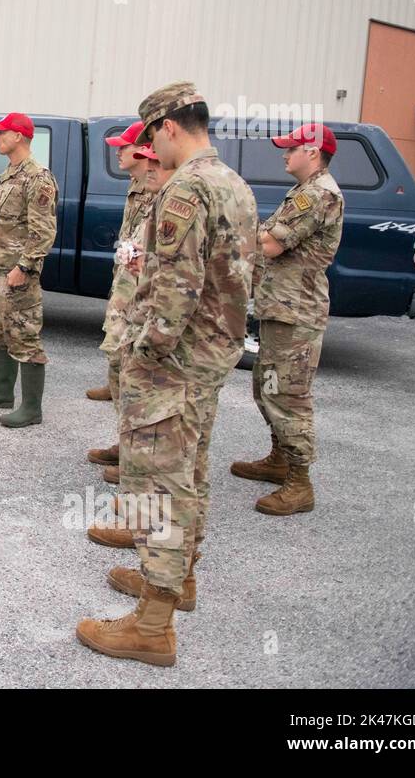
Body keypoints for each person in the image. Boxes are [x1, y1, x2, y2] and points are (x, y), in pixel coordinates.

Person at [77, 82, 257, 667]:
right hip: (209, 358)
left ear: (170, 127)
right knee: (191, 473)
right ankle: (180, 583)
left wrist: (143, 354)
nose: (153, 144)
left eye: (153, 133)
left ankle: (152, 627)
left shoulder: (187, 189)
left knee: (159, 486)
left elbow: (177, 288)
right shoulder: (234, 183)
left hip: (173, 363)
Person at [231, 124, 343, 515]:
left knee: (290, 396)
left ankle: (300, 483)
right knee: (267, 387)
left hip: (298, 312)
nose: (284, 154)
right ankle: (279, 459)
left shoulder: (318, 194)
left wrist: (238, 235)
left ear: (313, 152)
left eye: (292, 148)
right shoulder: (302, 191)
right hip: (281, 307)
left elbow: (271, 243)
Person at [0, 112, 58, 427]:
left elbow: (42, 231)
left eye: (2, 132)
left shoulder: (37, 177)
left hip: (16, 272)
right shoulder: (10, 173)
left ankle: (32, 409)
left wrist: (25, 266)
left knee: (24, 335)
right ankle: (2, 392)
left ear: (19, 136)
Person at [86, 122, 154, 469]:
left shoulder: (159, 190)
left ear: (143, 150)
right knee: (117, 367)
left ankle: (137, 457)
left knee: (134, 378)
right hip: (125, 293)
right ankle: (126, 442)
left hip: (142, 299)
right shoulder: (136, 186)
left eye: (124, 146)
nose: (118, 151)